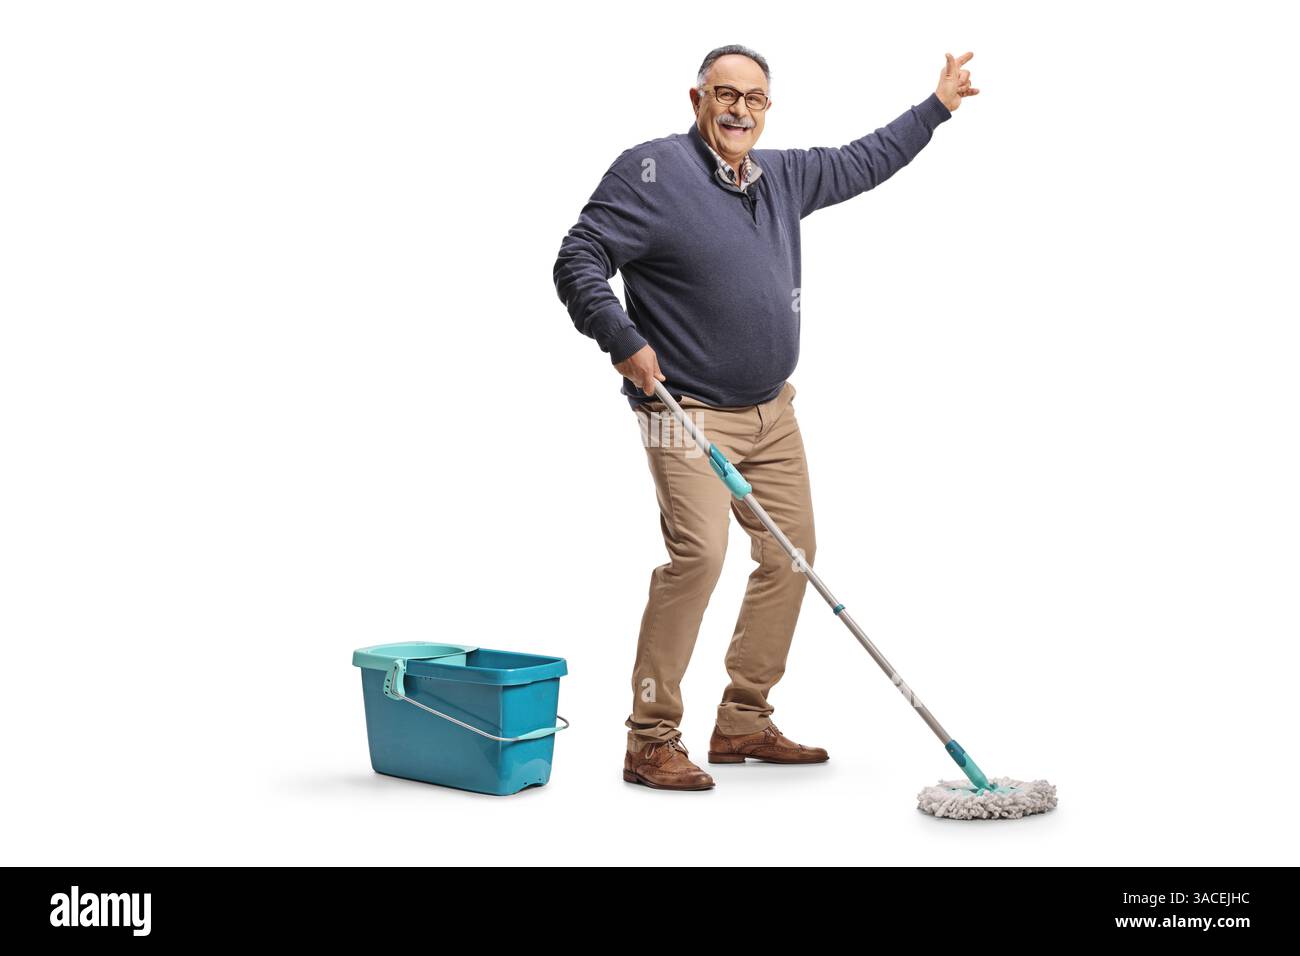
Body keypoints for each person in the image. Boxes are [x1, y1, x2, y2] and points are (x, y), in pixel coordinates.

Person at [553, 44, 978, 791]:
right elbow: (578, 256)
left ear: (767, 108)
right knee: (701, 558)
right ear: (696, 100)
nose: (739, 109)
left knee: (792, 556)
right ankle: (649, 738)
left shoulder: (781, 177)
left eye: (754, 98)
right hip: (682, 410)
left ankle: (743, 721)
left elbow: (863, 159)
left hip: (772, 413)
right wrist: (621, 338)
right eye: (725, 94)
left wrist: (936, 108)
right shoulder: (651, 173)